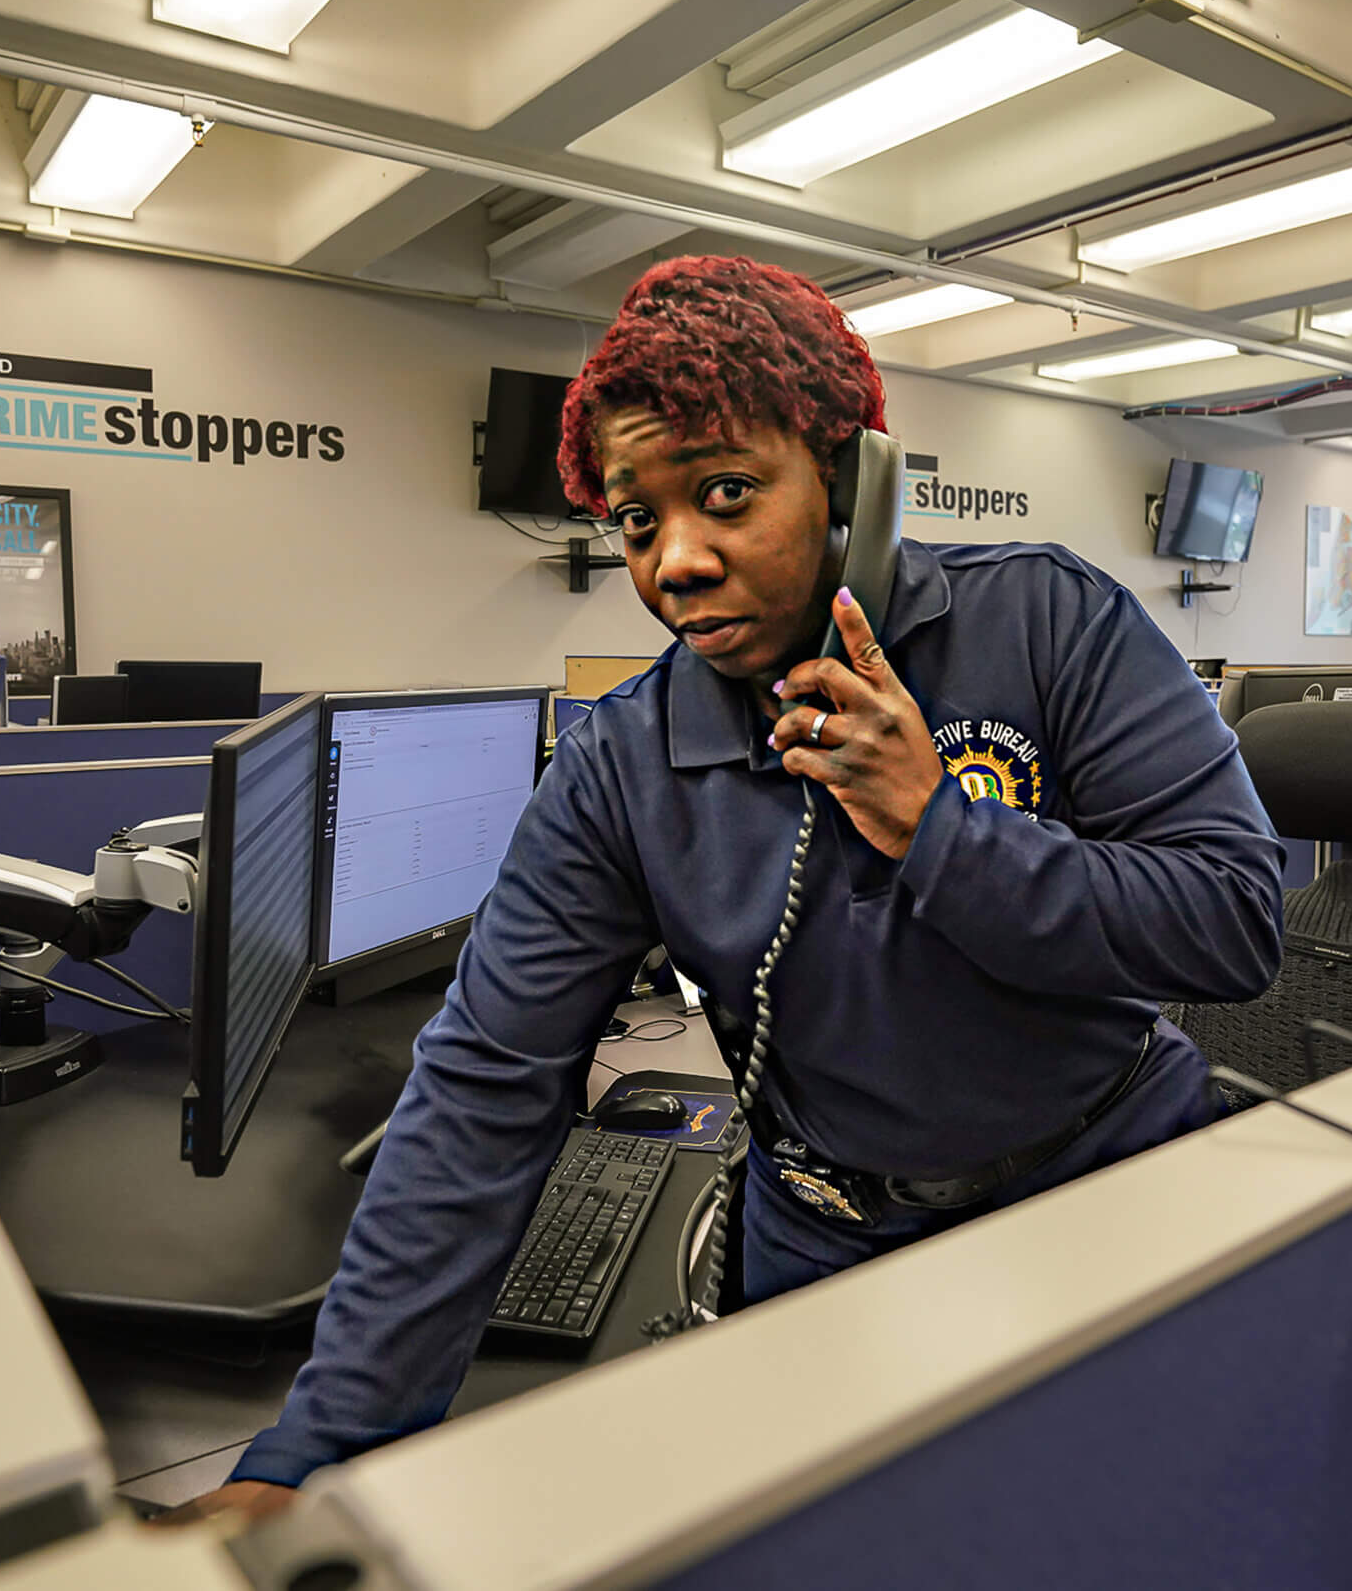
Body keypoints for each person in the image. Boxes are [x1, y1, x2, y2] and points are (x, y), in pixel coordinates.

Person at [179, 255, 1286, 1520]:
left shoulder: (1048, 620)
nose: (675, 564)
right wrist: (310, 1460)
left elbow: (1233, 922)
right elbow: (486, 1085)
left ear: (851, 483)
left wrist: (936, 824)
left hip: (1106, 1192)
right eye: (638, 521)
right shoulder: (627, 760)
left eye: (724, 492)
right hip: (827, 1238)